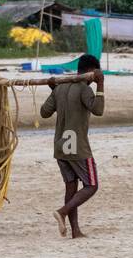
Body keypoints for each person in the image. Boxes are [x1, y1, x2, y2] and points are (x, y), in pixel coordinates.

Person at [39, 54, 104, 239]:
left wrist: (54, 91)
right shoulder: (84, 89)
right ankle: (62, 211)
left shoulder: (60, 88)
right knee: (91, 185)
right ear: (92, 71)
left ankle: (75, 231)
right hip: (78, 146)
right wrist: (100, 85)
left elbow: (44, 113)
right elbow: (98, 110)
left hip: (60, 146)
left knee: (71, 187)